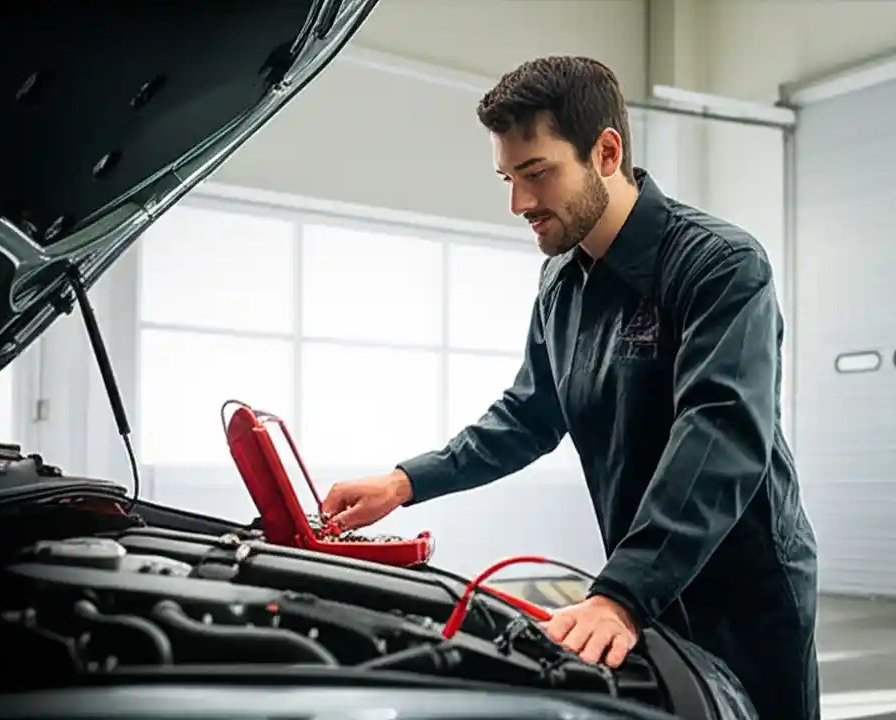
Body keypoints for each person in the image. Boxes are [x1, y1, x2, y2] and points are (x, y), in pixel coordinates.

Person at [321, 56, 820, 720]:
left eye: (536, 174)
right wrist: (403, 483)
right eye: (507, 177)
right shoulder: (562, 282)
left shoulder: (720, 266)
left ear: (605, 151)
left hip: (744, 589)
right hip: (646, 578)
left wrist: (622, 593)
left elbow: (720, 436)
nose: (519, 204)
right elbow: (528, 415)